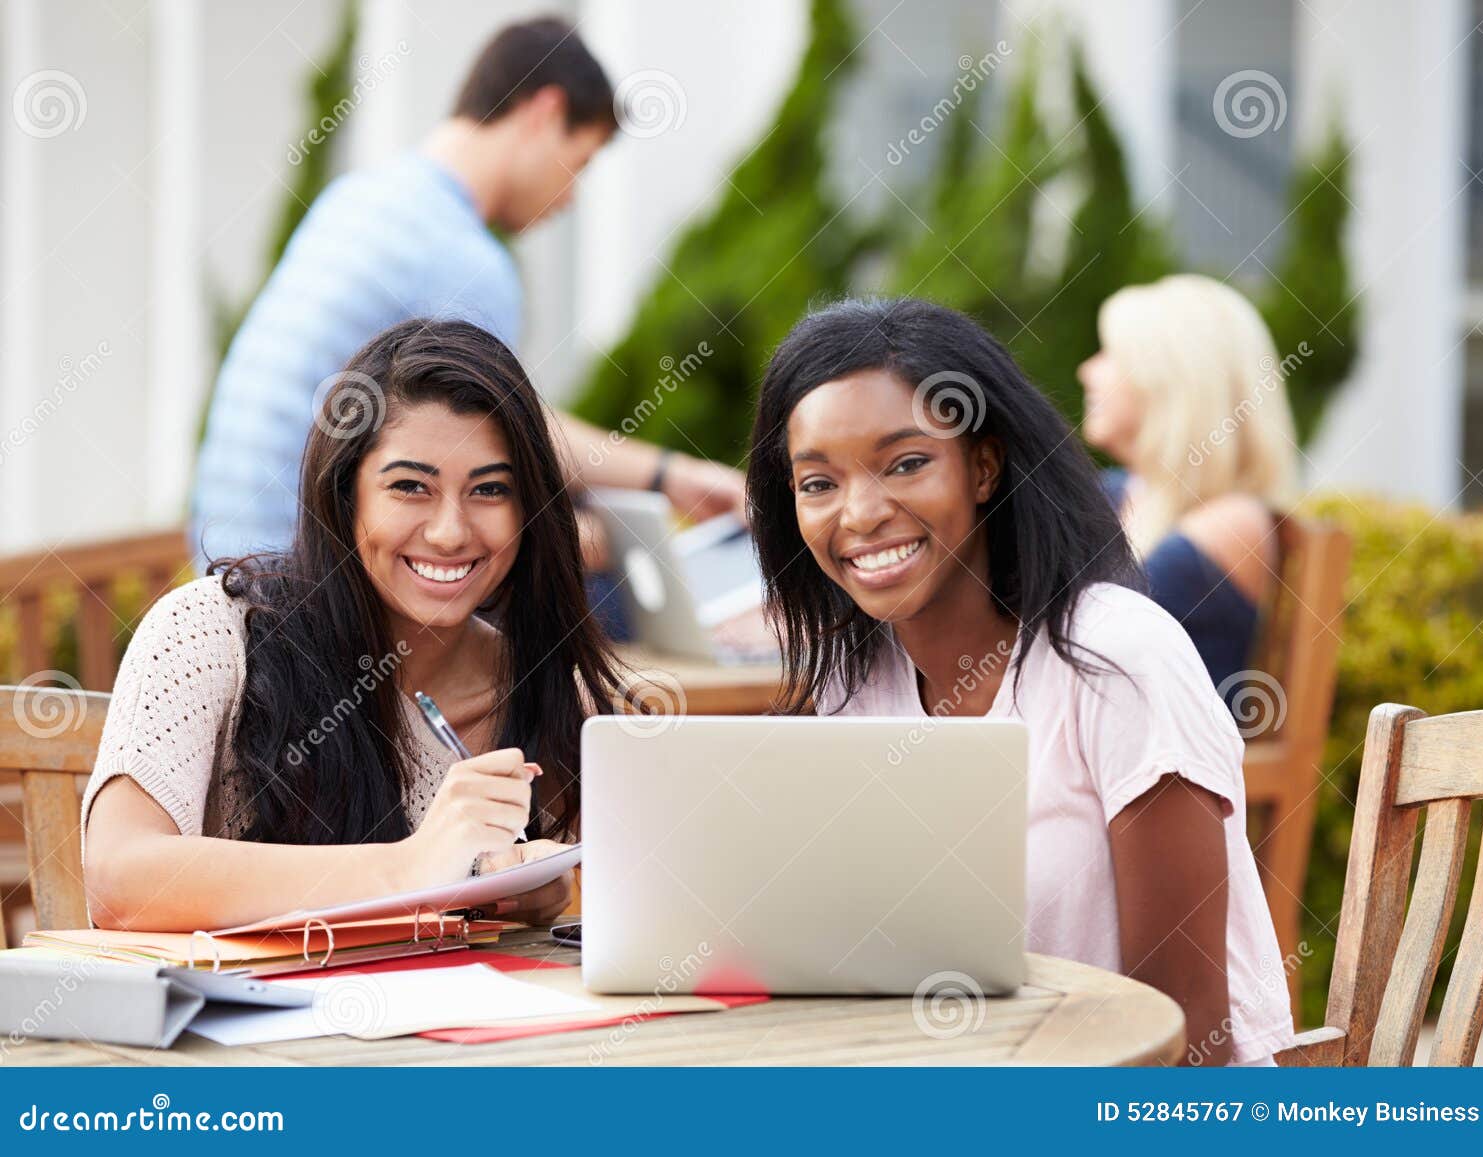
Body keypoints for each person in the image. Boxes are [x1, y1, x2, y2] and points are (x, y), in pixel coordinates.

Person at [746, 298, 1294, 1066]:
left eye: (906, 463)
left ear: (983, 465)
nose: (862, 514)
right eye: (818, 483)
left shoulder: (1115, 658)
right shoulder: (856, 689)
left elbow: (1188, 1031)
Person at [84, 320, 621, 932]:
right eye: (410, 487)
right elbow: (121, 881)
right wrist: (410, 871)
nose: (450, 531)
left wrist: (524, 888)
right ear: (346, 497)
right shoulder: (210, 633)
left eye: (490, 490)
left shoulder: (550, 693)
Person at [190, 15, 743, 571]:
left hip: (229, 558)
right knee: (601, 580)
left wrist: (667, 479)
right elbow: (510, 442)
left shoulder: (358, 199)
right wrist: (651, 509)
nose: (571, 196)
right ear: (544, 113)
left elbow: (506, 424)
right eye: (579, 163)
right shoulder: (460, 254)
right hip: (303, 584)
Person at [1078, 274, 1298, 698]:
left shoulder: (1233, 522)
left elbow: (1095, 641)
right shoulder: (1121, 493)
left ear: (1172, 380)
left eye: (1110, 354)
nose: (1087, 370)